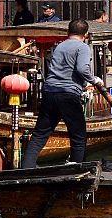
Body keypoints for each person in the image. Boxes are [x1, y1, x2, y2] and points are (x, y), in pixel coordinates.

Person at [21, 19, 100, 168]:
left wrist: (83, 83)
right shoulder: (82, 47)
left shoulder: (59, 46)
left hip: (50, 92)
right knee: (78, 137)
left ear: (68, 32)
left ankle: (25, 170)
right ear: (86, 34)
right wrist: (93, 80)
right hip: (68, 95)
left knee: (39, 135)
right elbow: (82, 69)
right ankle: (76, 171)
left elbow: (63, 69)